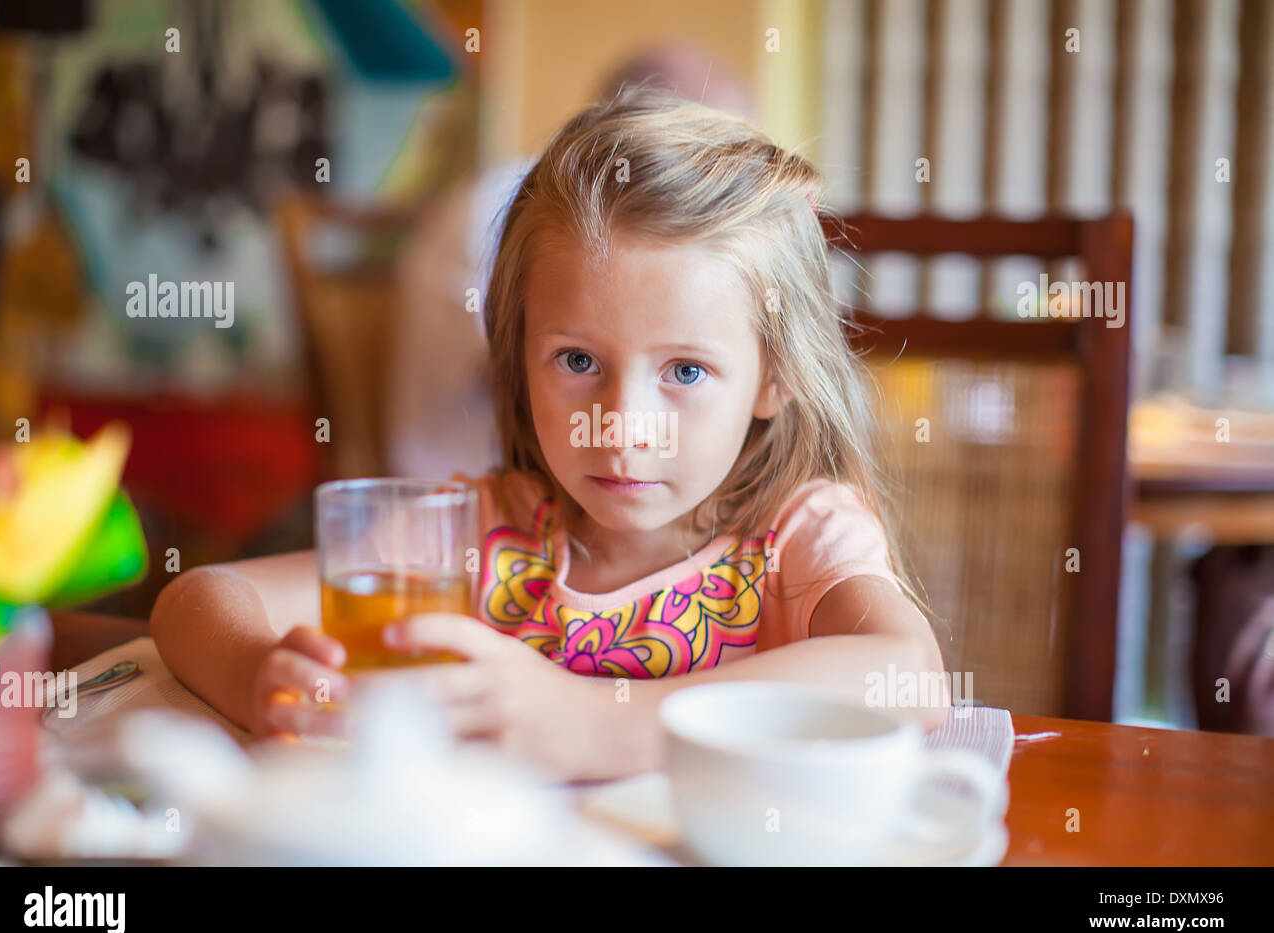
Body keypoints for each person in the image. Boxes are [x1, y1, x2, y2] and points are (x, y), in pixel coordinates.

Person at [151, 87, 946, 782]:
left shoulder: (795, 539)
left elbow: (908, 678)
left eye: (686, 372)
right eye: (576, 359)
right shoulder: (479, 531)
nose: (623, 427)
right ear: (516, 355)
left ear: (774, 377)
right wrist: (261, 674)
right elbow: (201, 598)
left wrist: (596, 721)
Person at [385, 41, 757, 479]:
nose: (733, 192)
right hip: (477, 488)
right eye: (716, 161)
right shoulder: (520, 208)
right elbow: (517, 377)